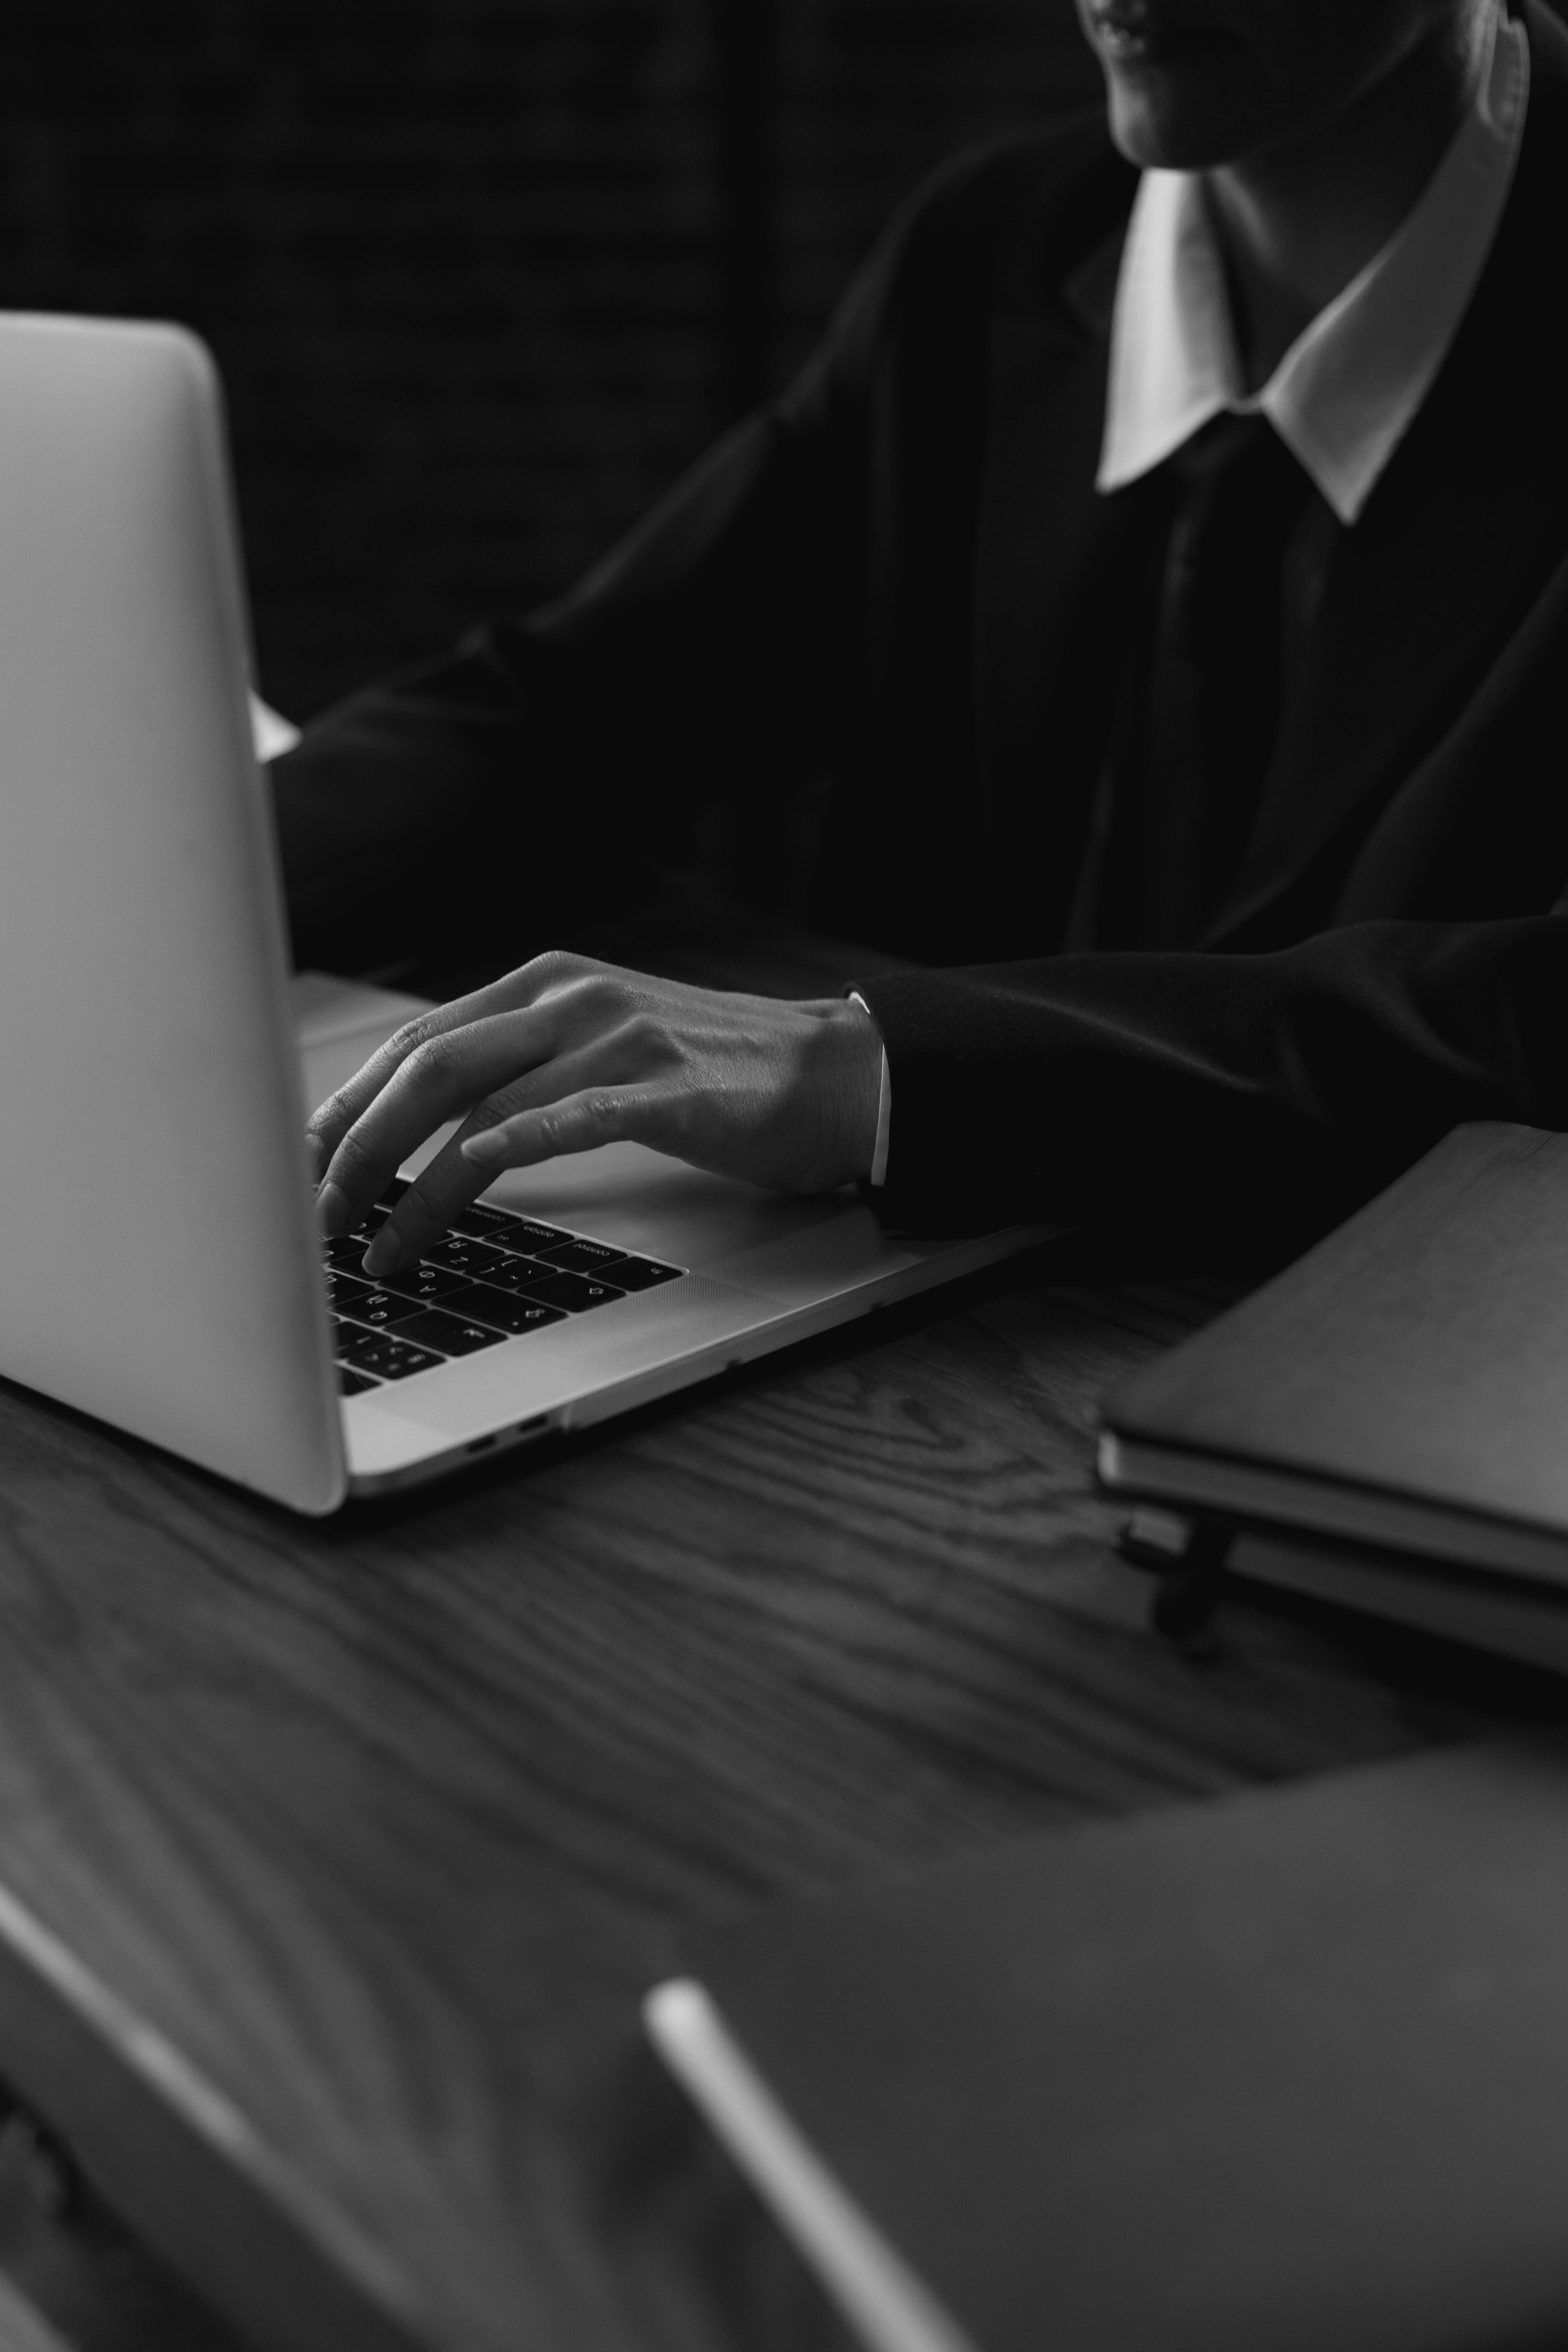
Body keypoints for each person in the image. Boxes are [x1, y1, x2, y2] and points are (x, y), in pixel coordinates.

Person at [282, 0, 1568, 1281]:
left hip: (1398, 1343)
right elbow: (589, 701)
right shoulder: (992, 246)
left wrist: (872, 1072)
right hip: (912, 1307)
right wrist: (173, 876)